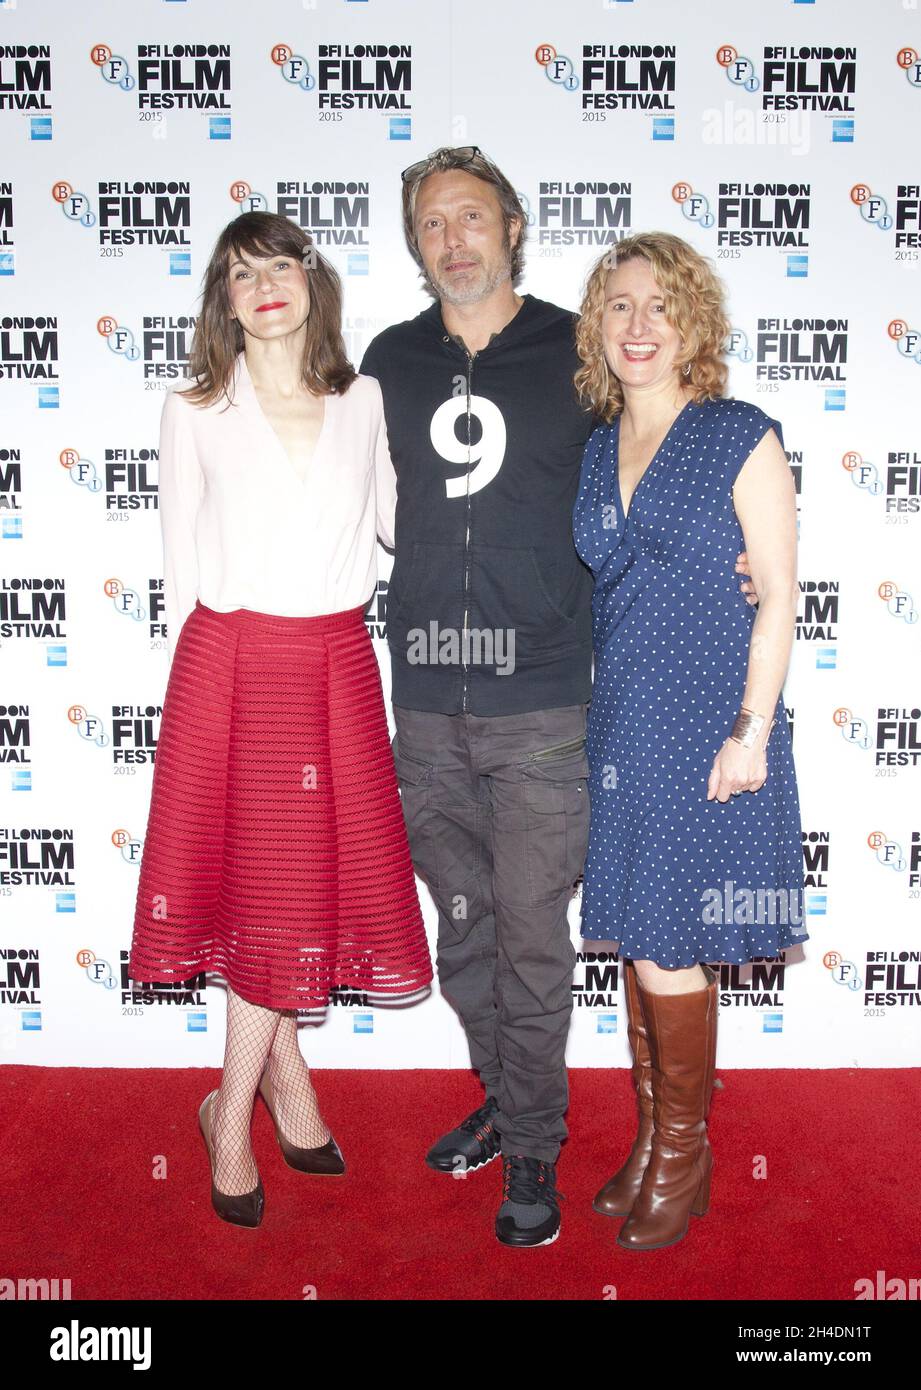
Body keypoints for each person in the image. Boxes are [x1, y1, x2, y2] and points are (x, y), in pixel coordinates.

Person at [359, 149, 758, 1248]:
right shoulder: (387, 360)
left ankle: (534, 1145)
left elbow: (673, 450)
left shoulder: (575, 361)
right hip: (425, 702)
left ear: (514, 226)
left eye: (472, 216)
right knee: (467, 935)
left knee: (535, 938)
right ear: (415, 241)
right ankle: (504, 1092)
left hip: (545, 711)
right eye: (432, 221)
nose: (453, 238)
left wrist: (747, 558)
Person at [127, 211, 433, 1229]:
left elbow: (404, 524)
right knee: (272, 897)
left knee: (289, 897)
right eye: (241, 271)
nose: (265, 283)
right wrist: (197, 702)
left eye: (282, 263)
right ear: (223, 298)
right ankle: (238, 1119)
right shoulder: (194, 408)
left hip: (337, 666)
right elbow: (178, 574)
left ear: (313, 279)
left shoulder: (366, 399)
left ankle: (256, 1090)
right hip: (233, 669)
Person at [571, 231, 808, 1251]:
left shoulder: (740, 433)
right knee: (636, 939)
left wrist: (752, 728)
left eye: (660, 306)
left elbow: (781, 592)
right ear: (599, 326)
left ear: (693, 324)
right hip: (622, 717)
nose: (639, 326)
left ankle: (684, 1153)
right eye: (620, 305)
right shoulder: (593, 448)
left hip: (710, 719)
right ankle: (660, 1141)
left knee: (670, 946)